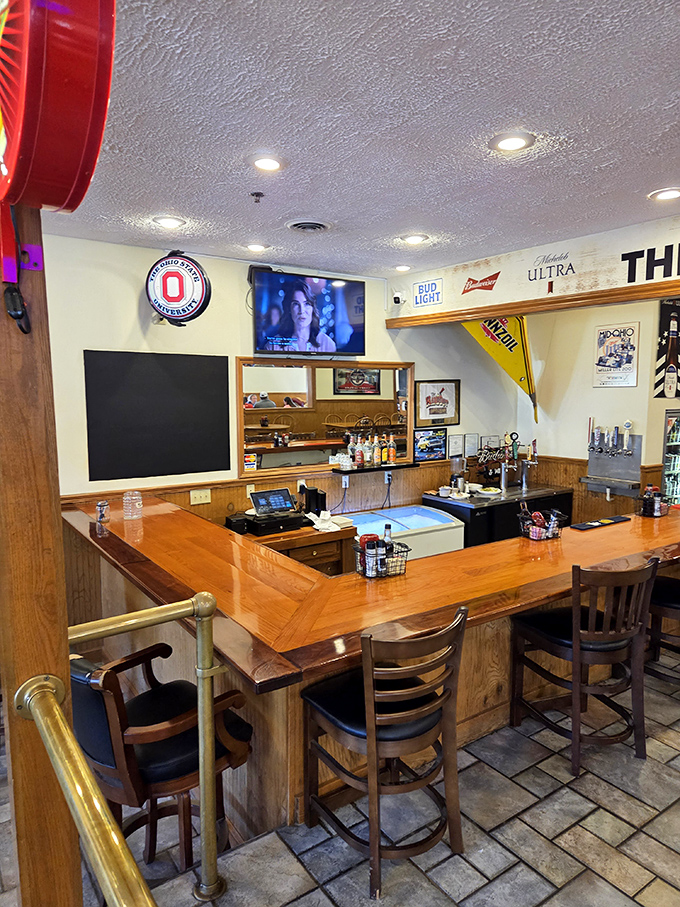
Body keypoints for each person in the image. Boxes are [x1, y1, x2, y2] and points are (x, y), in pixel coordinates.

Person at [265, 280, 336, 353]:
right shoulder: (273, 346)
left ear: (313, 309)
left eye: (307, 304)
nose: (301, 311)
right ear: (289, 309)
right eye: (296, 304)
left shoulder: (328, 345)